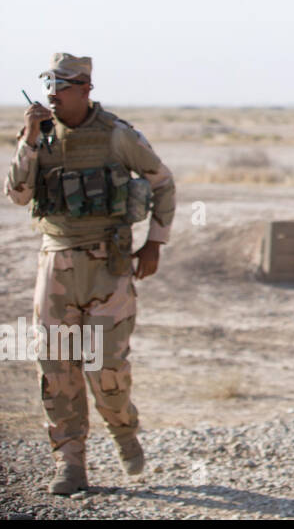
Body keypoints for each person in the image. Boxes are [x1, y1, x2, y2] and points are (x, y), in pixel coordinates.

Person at [4, 54, 176, 495]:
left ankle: (124, 433)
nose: (52, 94)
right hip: (55, 265)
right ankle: (70, 463)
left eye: (62, 85)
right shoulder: (38, 139)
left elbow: (162, 181)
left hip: (108, 267)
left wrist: (155, 241)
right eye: (48, 84)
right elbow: (19, 195)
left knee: (107, 371)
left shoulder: (117, 136)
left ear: (85, 88)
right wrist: (27, 139)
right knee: (56, 368)